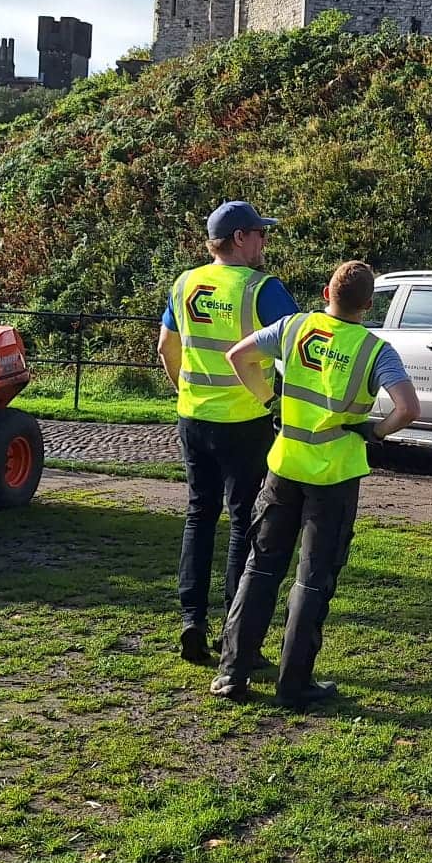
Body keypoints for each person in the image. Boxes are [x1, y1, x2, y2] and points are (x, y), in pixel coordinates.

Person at [210, 260, 419, 705]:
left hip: (284, 464)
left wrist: (269, 400)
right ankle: (294, 682)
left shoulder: (292, 327)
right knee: (311, 579)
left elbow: (237, 355)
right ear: (368, 305)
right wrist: (374, 432)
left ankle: (232, 673)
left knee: (260, 567)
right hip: (335, 475)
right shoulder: (374, 350)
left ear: (326, 292)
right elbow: (407, 408)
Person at [157, 201, 299, 665]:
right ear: (240, 238)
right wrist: (273, 402)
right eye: (260, 234)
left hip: (193, 418)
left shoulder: (185, 283)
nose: (264, 242)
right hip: (245, 421)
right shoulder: (263, 289)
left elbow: (165, 348)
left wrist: (186, 391)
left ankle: (190, 619)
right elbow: (299, 346)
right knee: (242, 522)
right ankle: (233, 633)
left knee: (199, 515)